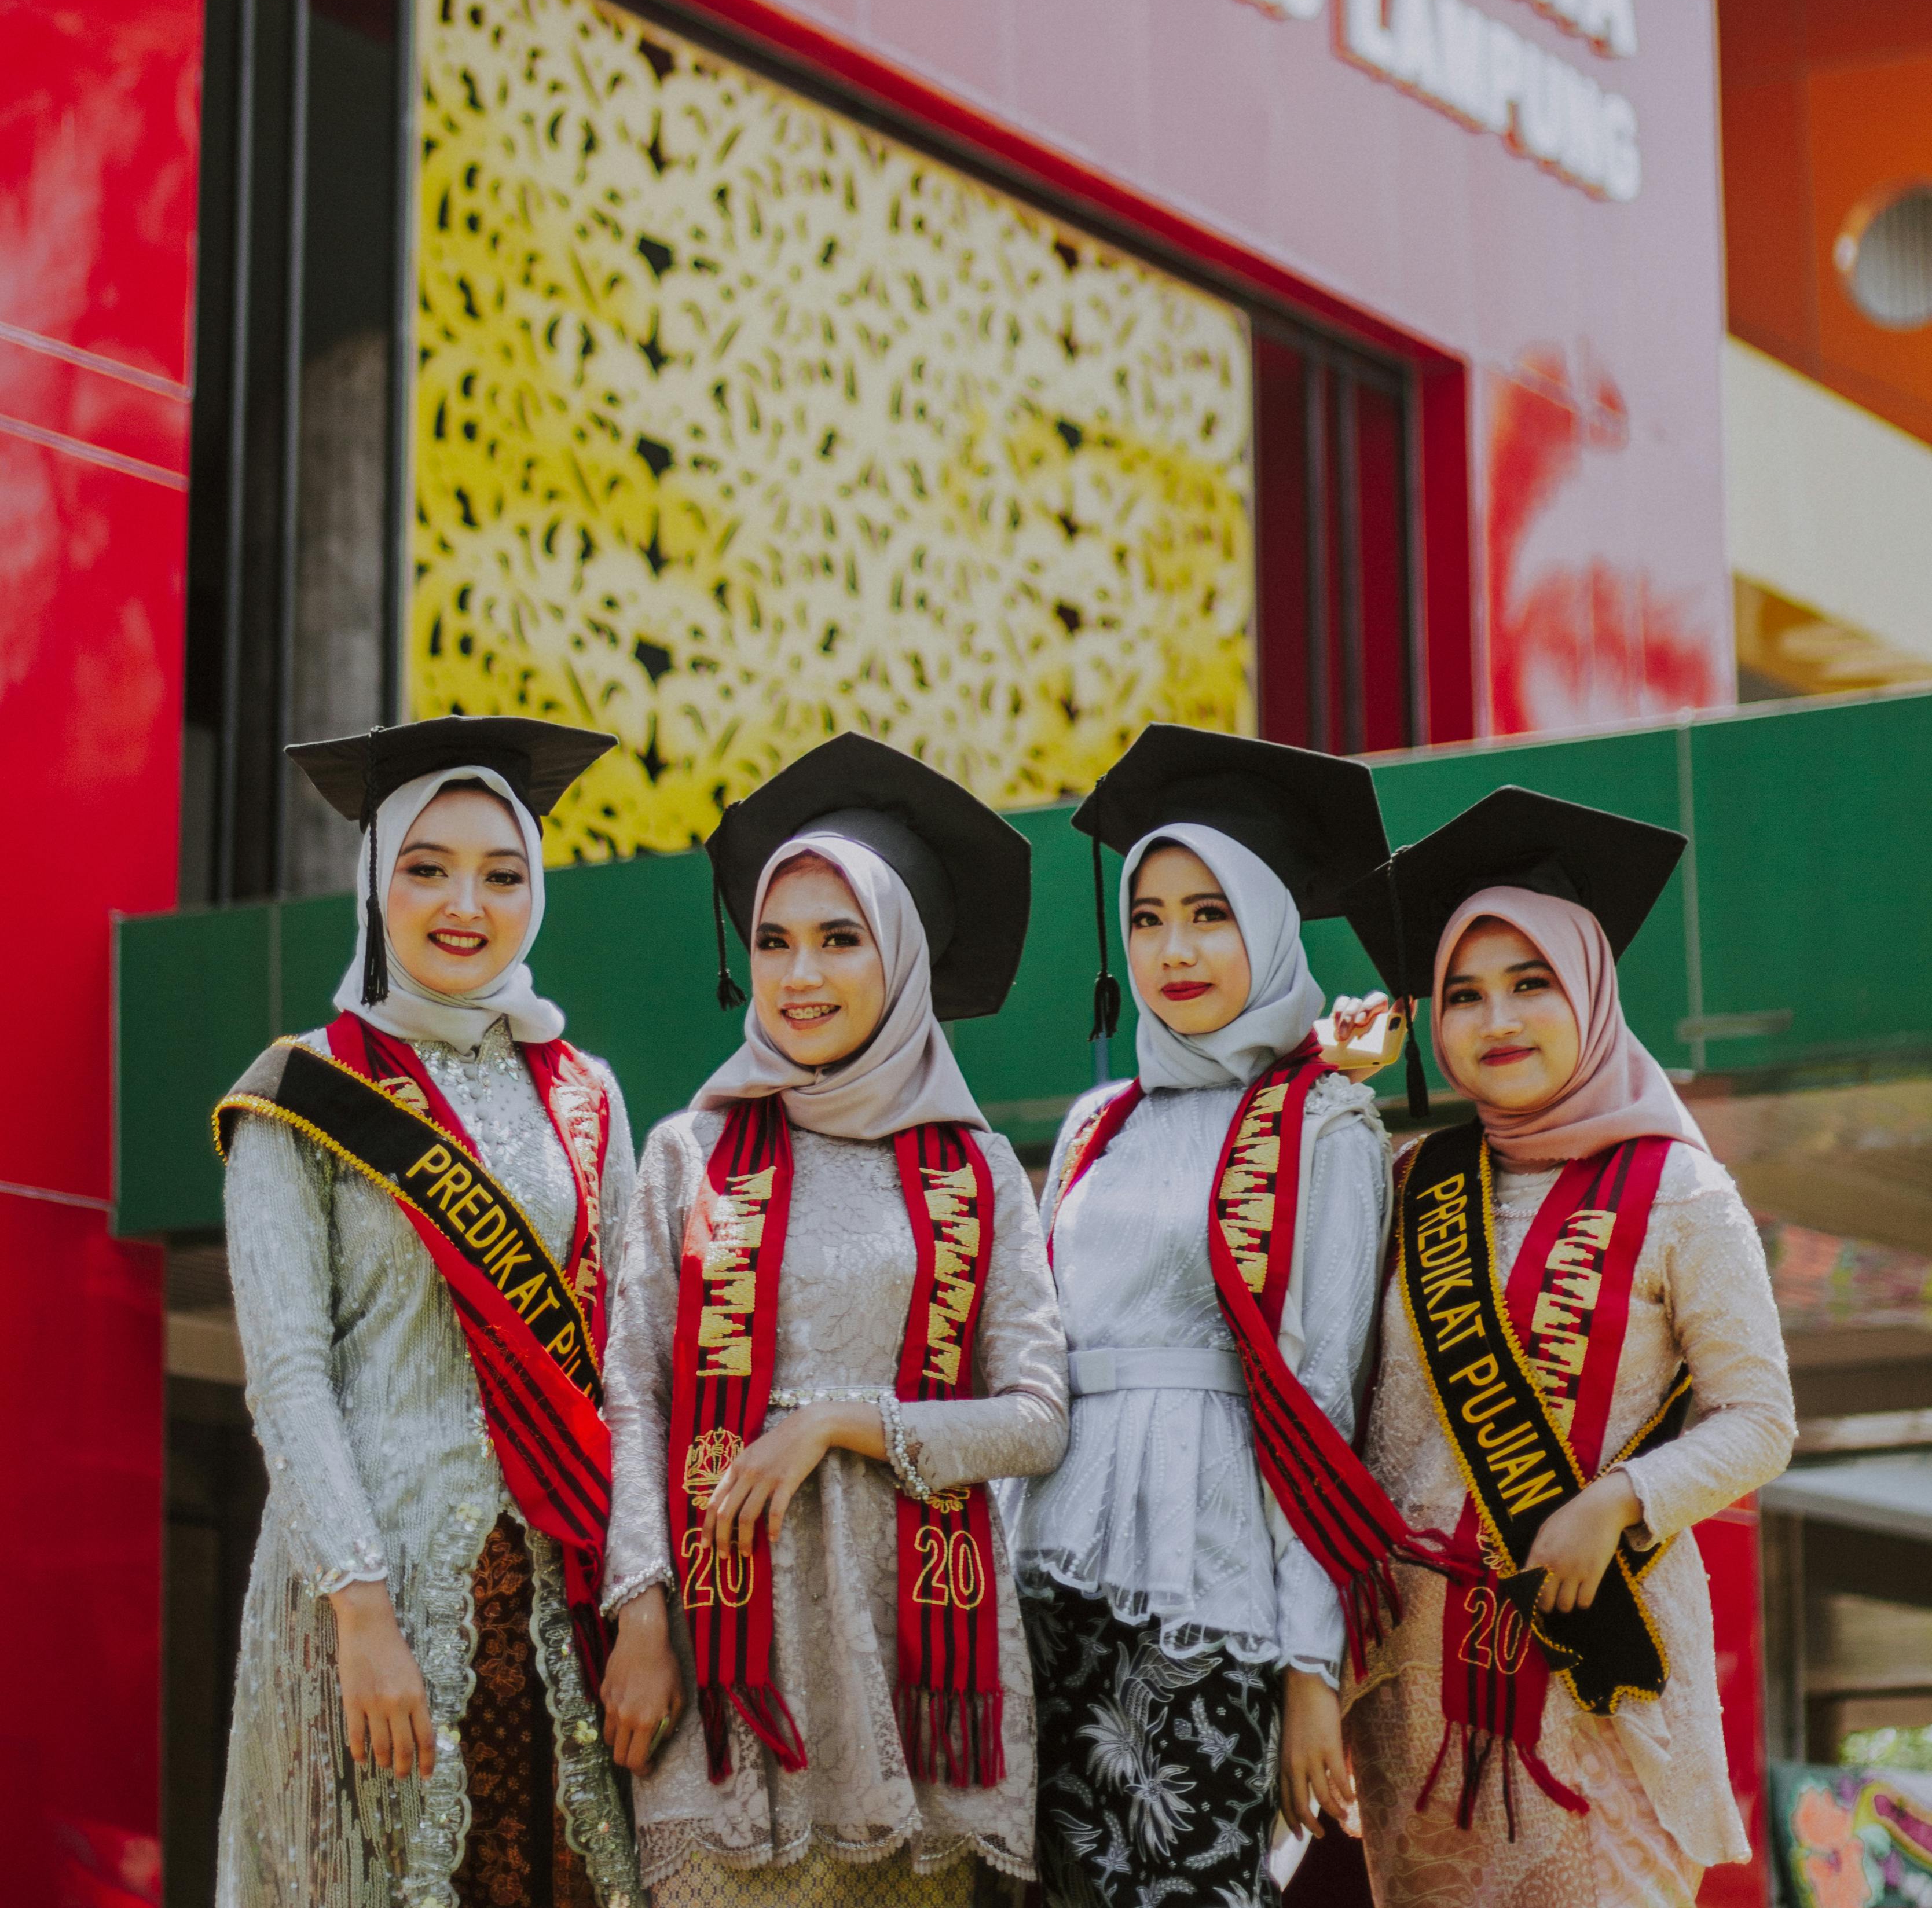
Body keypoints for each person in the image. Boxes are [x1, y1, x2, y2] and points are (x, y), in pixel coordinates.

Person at [597, 732, 1069, 1902]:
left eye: (839, 939)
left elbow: (1035, 1417)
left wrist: (840, 1423)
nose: (798, 975)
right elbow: (635, 1392)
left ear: (901, 957)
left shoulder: (975, 1171)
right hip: (719, 1669)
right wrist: (640, 1612)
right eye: (774, 940)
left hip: (912, 1671)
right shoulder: (686, 1155)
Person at [1337, 785, 1797, 1908]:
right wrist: (1324, 1089)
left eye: (1530, 982)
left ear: (1590, 989)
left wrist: (1618, 1498)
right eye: (1463, 993)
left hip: (1594, 1683)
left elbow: (1761, 1417)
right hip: (1419, 1697)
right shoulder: (1410, 1184)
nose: (1496, 1019)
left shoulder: (1682, 1189)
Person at [214, 715, 643, 1908]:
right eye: (427, 867)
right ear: (375, 883)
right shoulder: (301, 1093)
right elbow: (289, 1377)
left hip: (562, 1606)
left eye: (501, 874)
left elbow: (620, 1363)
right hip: (376, 1601)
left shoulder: (587, 1093)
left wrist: (642, 1601)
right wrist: (359, 1611)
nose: (467, 902)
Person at [1008, 725, 1417, 1908]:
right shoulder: (1096, 1123)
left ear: (1271, 924)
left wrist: (1308, 1667)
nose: (1174, 948)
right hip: (1055, 1576)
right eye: (1147, 916)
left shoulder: (1323, 1126)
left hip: (1217, 1583)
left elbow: (1316, 1401)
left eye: (1210, 912)